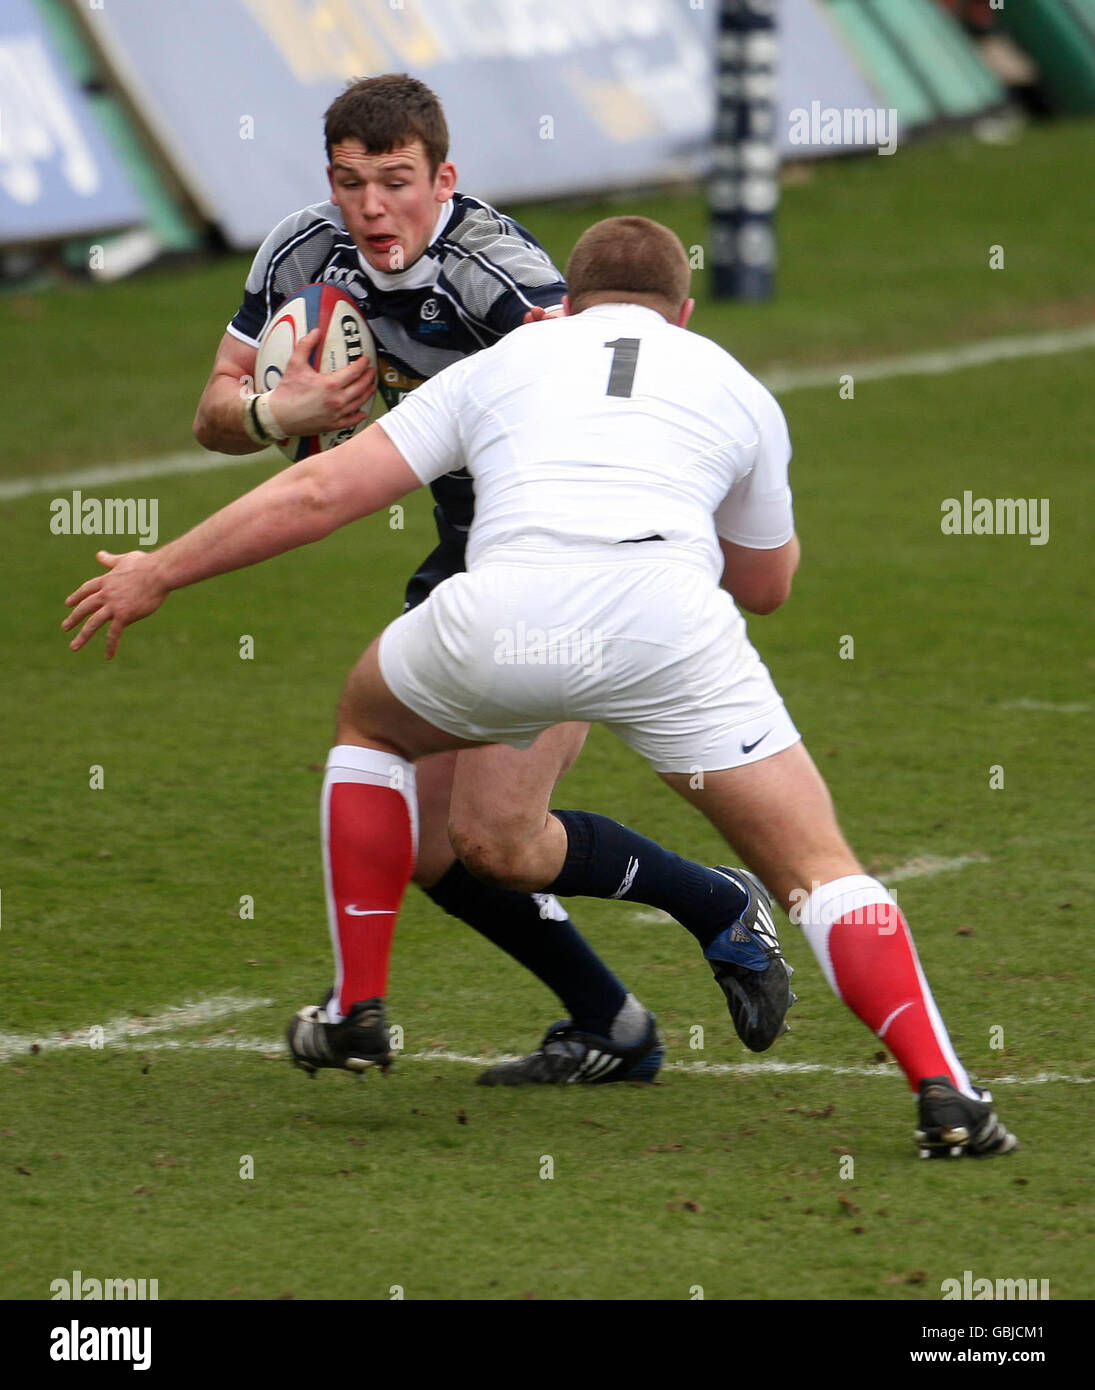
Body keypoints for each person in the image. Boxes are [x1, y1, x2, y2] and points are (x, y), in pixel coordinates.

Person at [63, 215, 1016, 1158]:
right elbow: (765, 591)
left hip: (500, 614)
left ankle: (358, 1005)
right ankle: (947, 1095)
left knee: (373, 725)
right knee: (817, 870)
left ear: (570, 298)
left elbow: (319, 494)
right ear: (681, 310)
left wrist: (160, 571)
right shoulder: (736, 386)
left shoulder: (503, 363)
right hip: (670, 628)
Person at [191, 72, 664, 1084]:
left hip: (559, 556)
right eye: (352, 182)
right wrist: (281, 413)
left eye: (397, 181)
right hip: (461, 557)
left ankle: (716, 905)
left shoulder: (500, 275)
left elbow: (599, 411)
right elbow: (214, 410)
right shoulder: (299, 251)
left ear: (444, 176)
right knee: (433, 844)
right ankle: (612, 1023)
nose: (372, 208)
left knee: (493, 833)